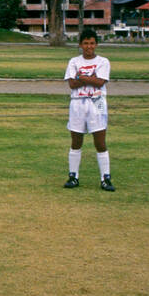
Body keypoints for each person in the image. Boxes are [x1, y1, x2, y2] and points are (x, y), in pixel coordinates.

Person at [63, 27, 114, 191]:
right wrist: (90, 78)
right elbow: (72, 84)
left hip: (97, 101)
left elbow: (100, 82)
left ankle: (105, 178)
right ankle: (73, 176)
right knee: (76, 141)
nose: (89, 47)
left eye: (92, 43)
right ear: (80, 45)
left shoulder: (103, 62)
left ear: (96, 44)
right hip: (78, 101)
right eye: (85, 43)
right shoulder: (74, 62)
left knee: (100, 141)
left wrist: (81, 77)